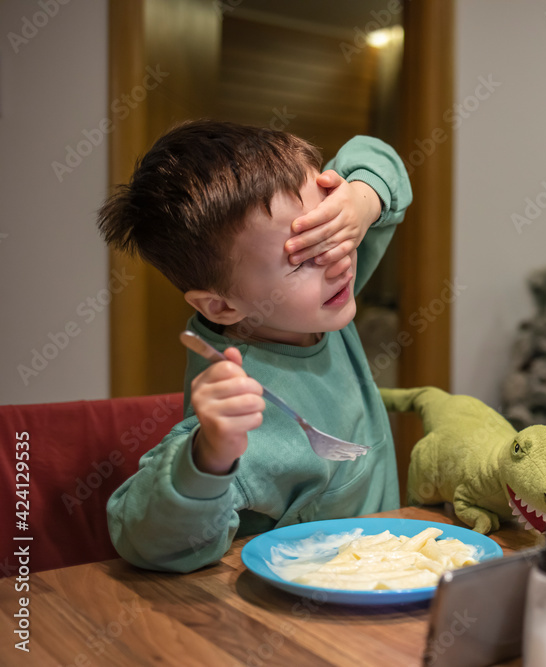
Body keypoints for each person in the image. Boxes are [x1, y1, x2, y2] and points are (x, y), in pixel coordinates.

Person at [98, 120, 412, 572]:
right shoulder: (252, 411)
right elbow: (143, 539)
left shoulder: (314, 302)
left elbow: (377, 154)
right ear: (222, 306)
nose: (338, 256)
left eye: (331, 227)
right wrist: (209, 456)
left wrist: (361, 201)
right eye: (303, 255)